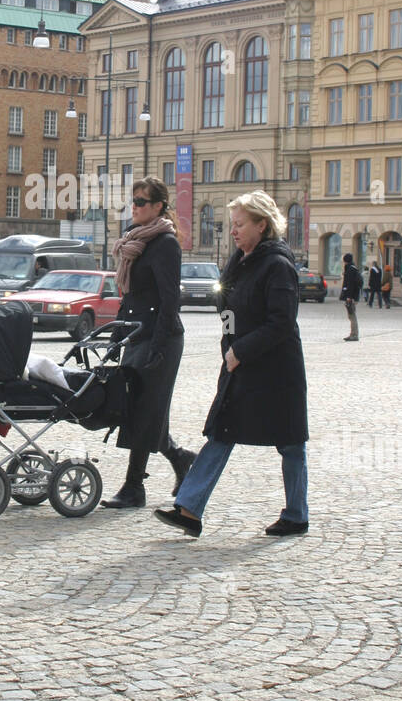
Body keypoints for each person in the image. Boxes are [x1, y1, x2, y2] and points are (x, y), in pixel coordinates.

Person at [154, 191, 309, 540]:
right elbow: (225, 307)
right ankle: (190, 510)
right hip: (239, 365)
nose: (234, 231)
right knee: (221, 431)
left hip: (277, 371)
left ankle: (296, 514)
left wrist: (241, 350)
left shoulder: (278, 265)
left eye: (240, 224)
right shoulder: (237, 260)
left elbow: (282, 322)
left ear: (262, 225)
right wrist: (229, 345)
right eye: (232, 224)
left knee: (290, 442)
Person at [101, 176, 195, 509]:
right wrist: (117, 334)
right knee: (140, 407)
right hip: (137, 333)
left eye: (141, 202)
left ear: (158, 207)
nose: (135, 207)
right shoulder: (134, 242)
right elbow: (131, 296)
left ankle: (133, 488)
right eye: (133, 201)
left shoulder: (165, 244)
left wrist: (157, 344)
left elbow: (170, 299)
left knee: (144, 408)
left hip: (162, 338)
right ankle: (181, 458)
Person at [340, 252, 362, 340]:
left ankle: (354, 334)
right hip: (353, 296)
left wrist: (349, 297)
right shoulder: (353, 268)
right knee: (351, 315)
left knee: (352, 315)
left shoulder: (350, 270)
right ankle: (353, 333)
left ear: (345, 261)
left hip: (351, 297)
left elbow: (350, 285)